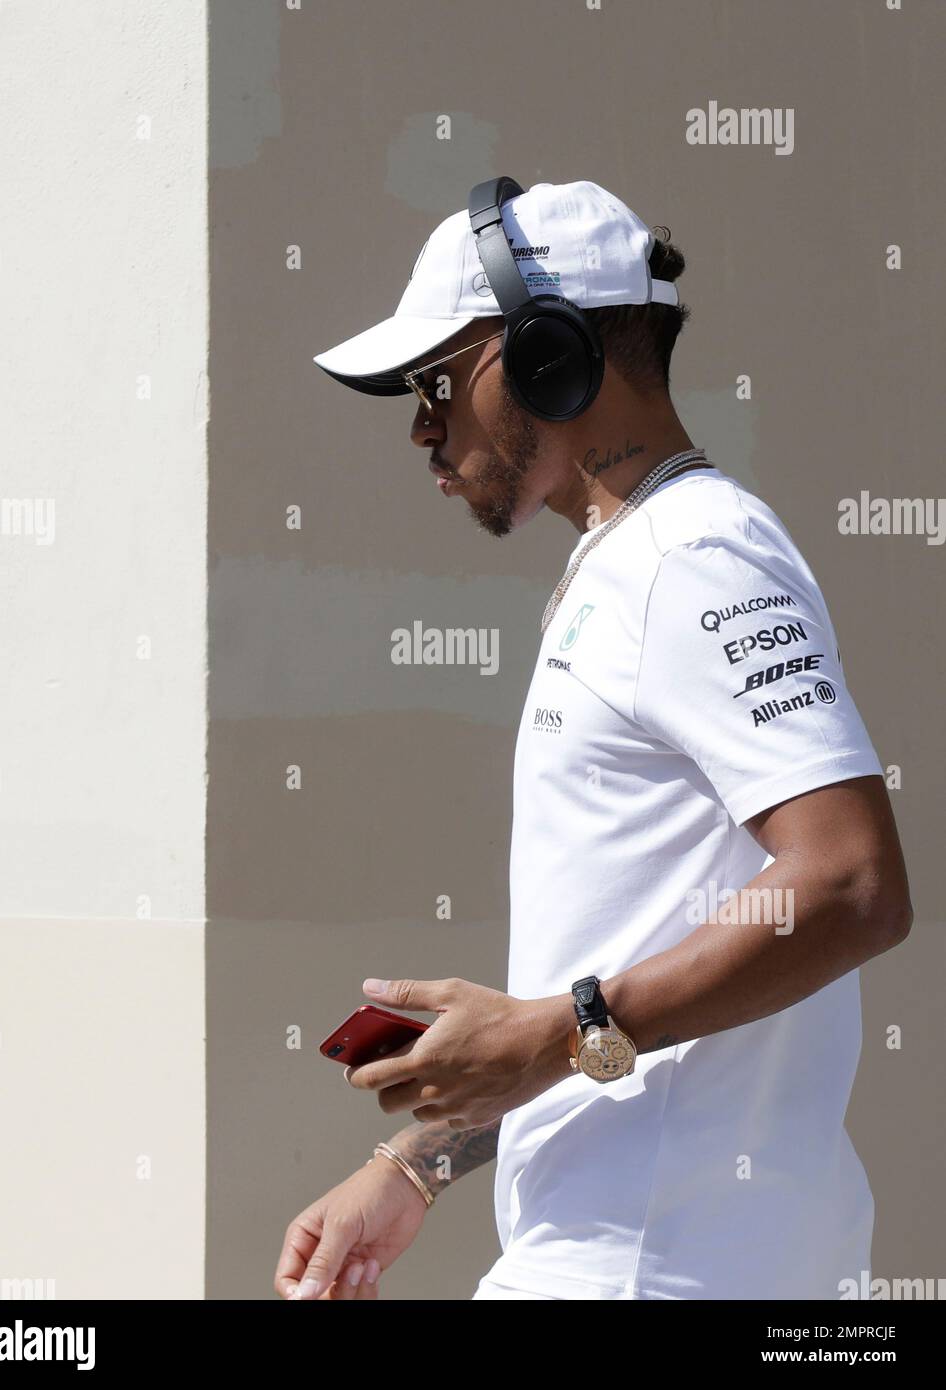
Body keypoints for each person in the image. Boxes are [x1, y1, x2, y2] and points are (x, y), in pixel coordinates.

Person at [275, 179, 912, 1301]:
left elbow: (855, 882)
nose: (421, 425)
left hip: (645, 1270)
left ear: (547, 357)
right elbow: (629, 985)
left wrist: (549, 1033)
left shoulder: (692, 558)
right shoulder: (640, 562)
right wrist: (416, 1163)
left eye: (435, 381)